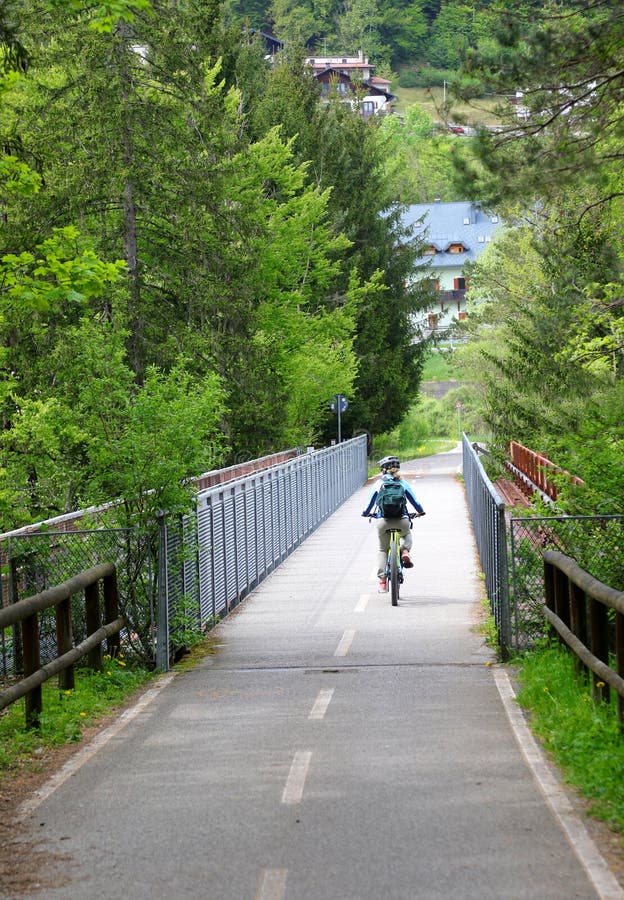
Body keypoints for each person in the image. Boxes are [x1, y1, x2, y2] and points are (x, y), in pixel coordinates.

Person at [362, 455, 425, 592]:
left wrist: (366, 513)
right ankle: (404, 550)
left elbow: (369, 505)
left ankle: (383, 581)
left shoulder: (379, 484)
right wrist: (420, 511)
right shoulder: (402, 483)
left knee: (383, 550)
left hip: (383, 521)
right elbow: (415, 501)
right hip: (402, 520)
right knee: (407, 534)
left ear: (383, 470)